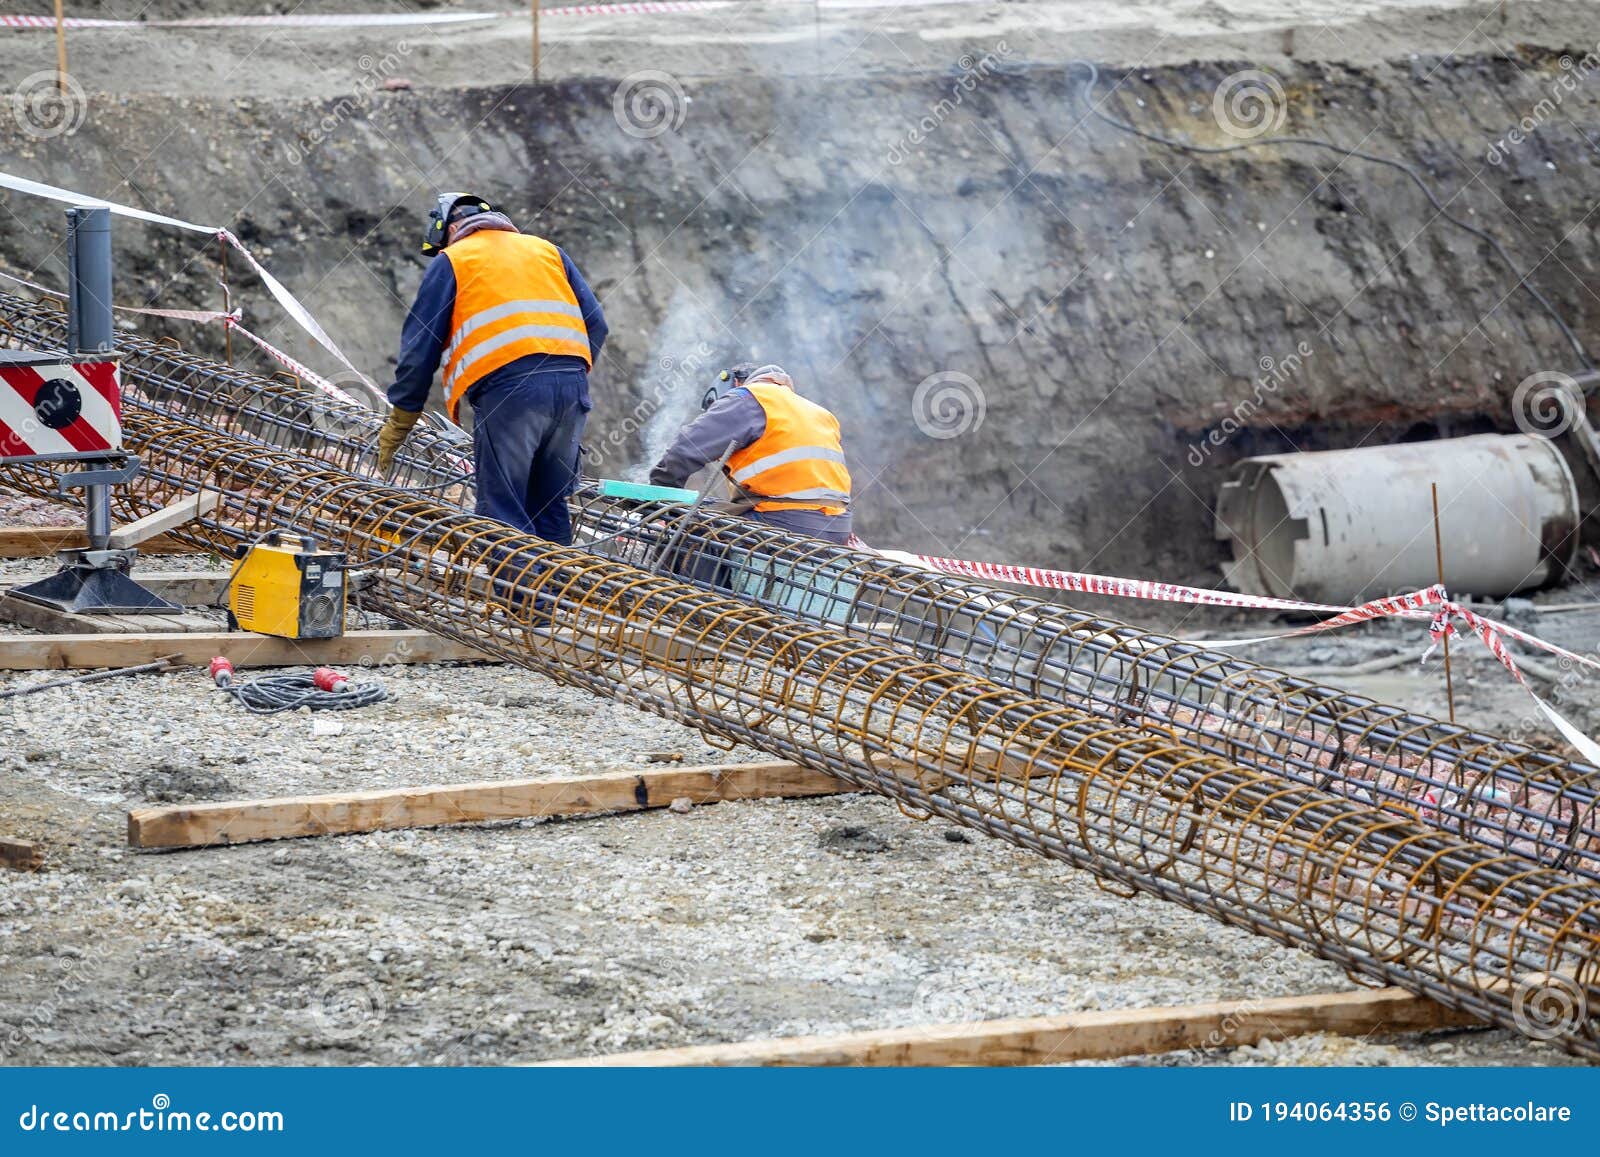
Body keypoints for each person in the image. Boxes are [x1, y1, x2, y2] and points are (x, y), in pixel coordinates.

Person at [377, 192, 607, 545]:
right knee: (548, 507)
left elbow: (419, 351)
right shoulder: (546, 250)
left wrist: (401, 419)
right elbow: (596, 323)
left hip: (511, 394)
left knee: (502, 512)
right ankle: (563, 596)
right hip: (571, 388)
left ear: (450, 229)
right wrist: (563, 375)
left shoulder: (453, 260)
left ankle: (524, 601)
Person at [650, 362, 853, 544]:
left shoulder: (747, 398)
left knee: (690, 534)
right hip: (837, 527)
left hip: (787, 521)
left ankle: (694, 586)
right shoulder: (820, 413)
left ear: (735, 385)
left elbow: (685, 449)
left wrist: (657, 498)